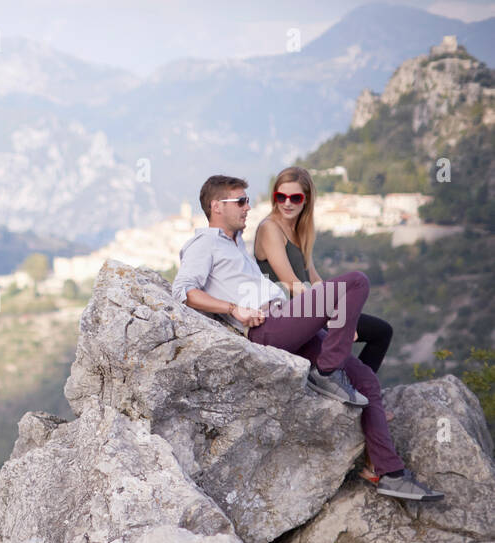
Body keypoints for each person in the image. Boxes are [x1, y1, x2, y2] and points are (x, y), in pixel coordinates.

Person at [171, 174, 442, 502]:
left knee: (367, 381)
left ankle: (390, 473)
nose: (248, 207)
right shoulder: (204, 244)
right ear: (216, 207)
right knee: (355, 282)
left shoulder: (235, 244)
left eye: (247, 200)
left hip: (287, 320)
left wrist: (338, 321)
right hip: (268, 328)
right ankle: (328, 370)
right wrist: (235, 309)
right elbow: (183, 291)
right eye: (240, 201)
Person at [256, 166, 395, 483]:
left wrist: (342, 315)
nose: (287, 203)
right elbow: (291, 284)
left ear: (306, 200)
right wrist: (335, 317)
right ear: (275, 197)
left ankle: (356, 388)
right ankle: (349, 388)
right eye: (281, 196)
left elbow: (314, 279)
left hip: (313, 306)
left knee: (381, 332)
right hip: (290, 315)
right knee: (355, 301)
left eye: (295, 197)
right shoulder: (269, 229)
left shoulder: (301, 231)